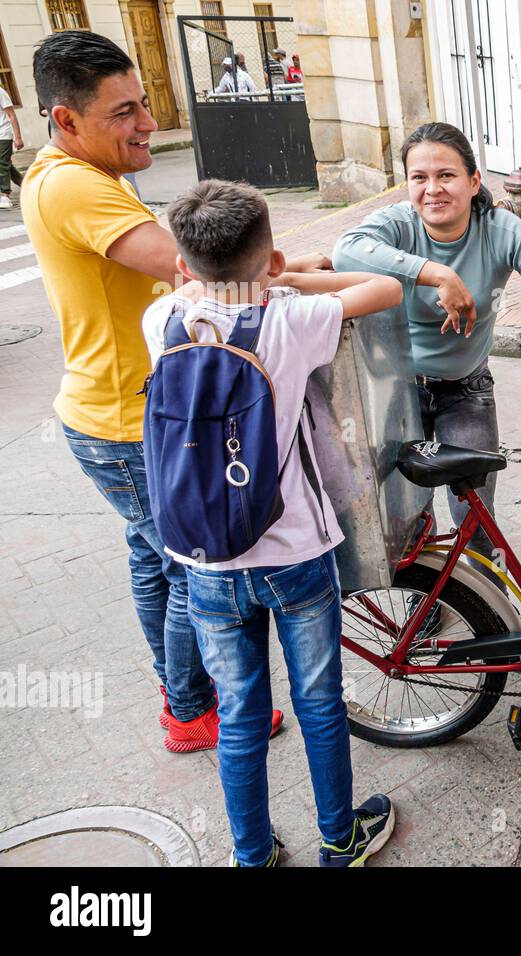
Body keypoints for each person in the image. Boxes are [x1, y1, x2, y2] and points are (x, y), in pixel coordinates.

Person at [22, 30, 326, 751]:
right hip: (135, 419)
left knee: (156, 560)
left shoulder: (66, 172)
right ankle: (194, 712)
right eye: (122, 112)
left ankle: (181, 697)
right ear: (66, 120)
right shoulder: (73, 184)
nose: (147, 124)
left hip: (118, 411)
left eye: (144, 103)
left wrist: (294, 263)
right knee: (196, 567)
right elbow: (204, 273)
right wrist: (306, 272)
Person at [145, 179, 403, 867]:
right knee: (318, 700)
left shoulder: (163, 322)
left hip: (206, 563)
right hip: (293, 553)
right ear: (274, 262)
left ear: (183, 266)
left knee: (240, 714)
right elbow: (384, 288)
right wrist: (294, 281)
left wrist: (265, 279)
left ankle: (252, 855)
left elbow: (203, 292)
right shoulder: (291, 321)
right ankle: (339, 837)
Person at [332, 122, 521, 563]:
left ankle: (489, 606)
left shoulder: (500, 230)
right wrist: (436, 273)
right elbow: (345, 251)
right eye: (420, 178)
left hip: (465, 392)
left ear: (473, 182)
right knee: (409, 516)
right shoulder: (397, 225)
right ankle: (427, 604)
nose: (433, 189)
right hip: (397, 392)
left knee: (475, 513)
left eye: (446, 176)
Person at [0, 82, 22, 209]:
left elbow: (11, 115)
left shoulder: (1, 93)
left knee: (2, 164)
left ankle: (5, 195)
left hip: (4, 133)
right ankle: (27, 186)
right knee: (6, 164)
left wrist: (18, 137)